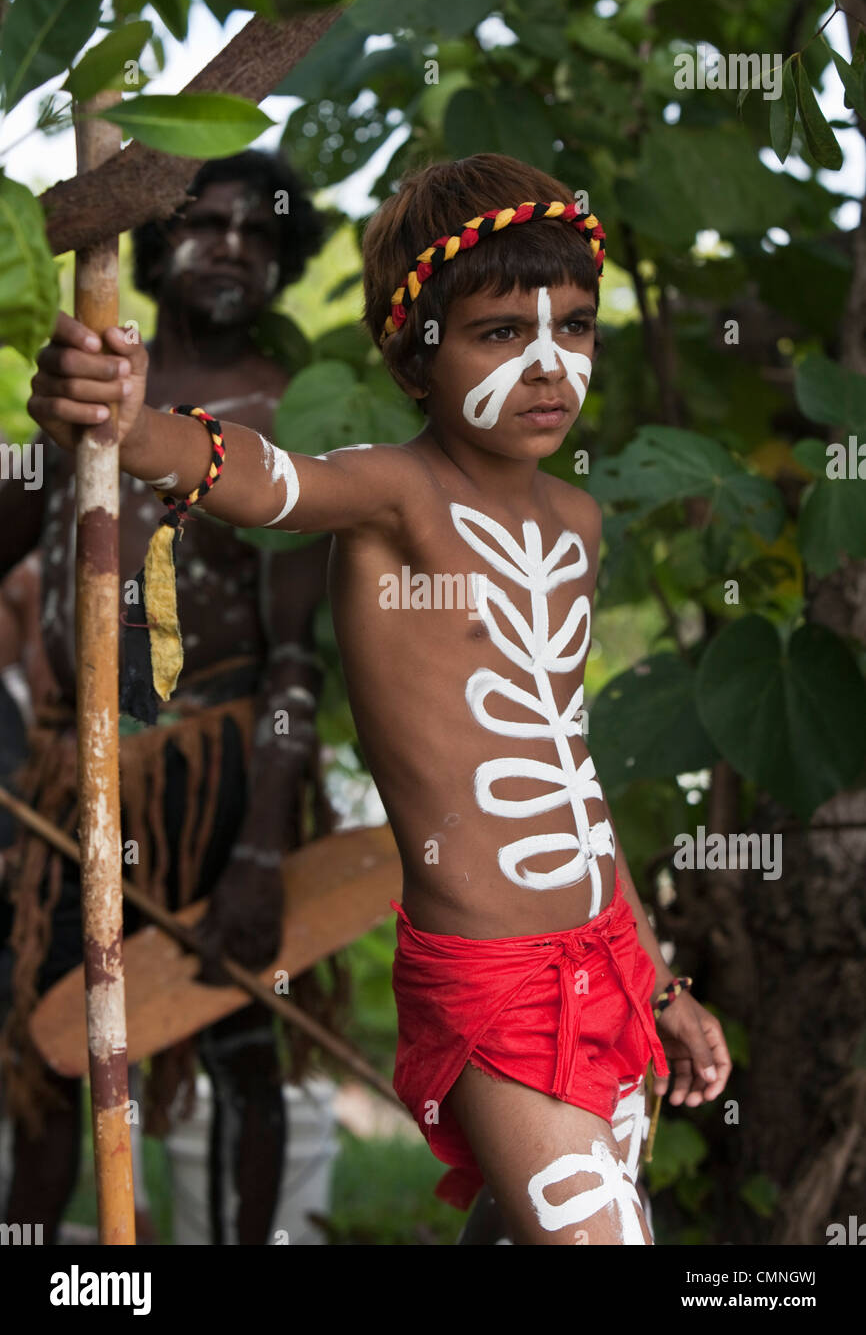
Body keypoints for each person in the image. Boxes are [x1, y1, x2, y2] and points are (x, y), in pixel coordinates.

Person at [26, 152, 732, 1246]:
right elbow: (256, 474)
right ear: (416, 356)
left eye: (576, 327)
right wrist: (126, 415)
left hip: (605, 956)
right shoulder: (395, 497)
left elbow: (566, 768)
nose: (549, 366)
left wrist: (653, 982)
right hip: (490, 988)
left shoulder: (578, 524)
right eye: (502, 333)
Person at [1, 150, 341, 1245]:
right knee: (54, 1057)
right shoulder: (87, 388)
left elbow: (297, 658)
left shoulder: (282, 419)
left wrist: (259, 850)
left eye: (258, 230)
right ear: (149, 248)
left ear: (284, 263)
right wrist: (50, 431)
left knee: (241, 1059)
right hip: (73, 793)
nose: (231, 243)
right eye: (205, 223)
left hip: (223, 788)